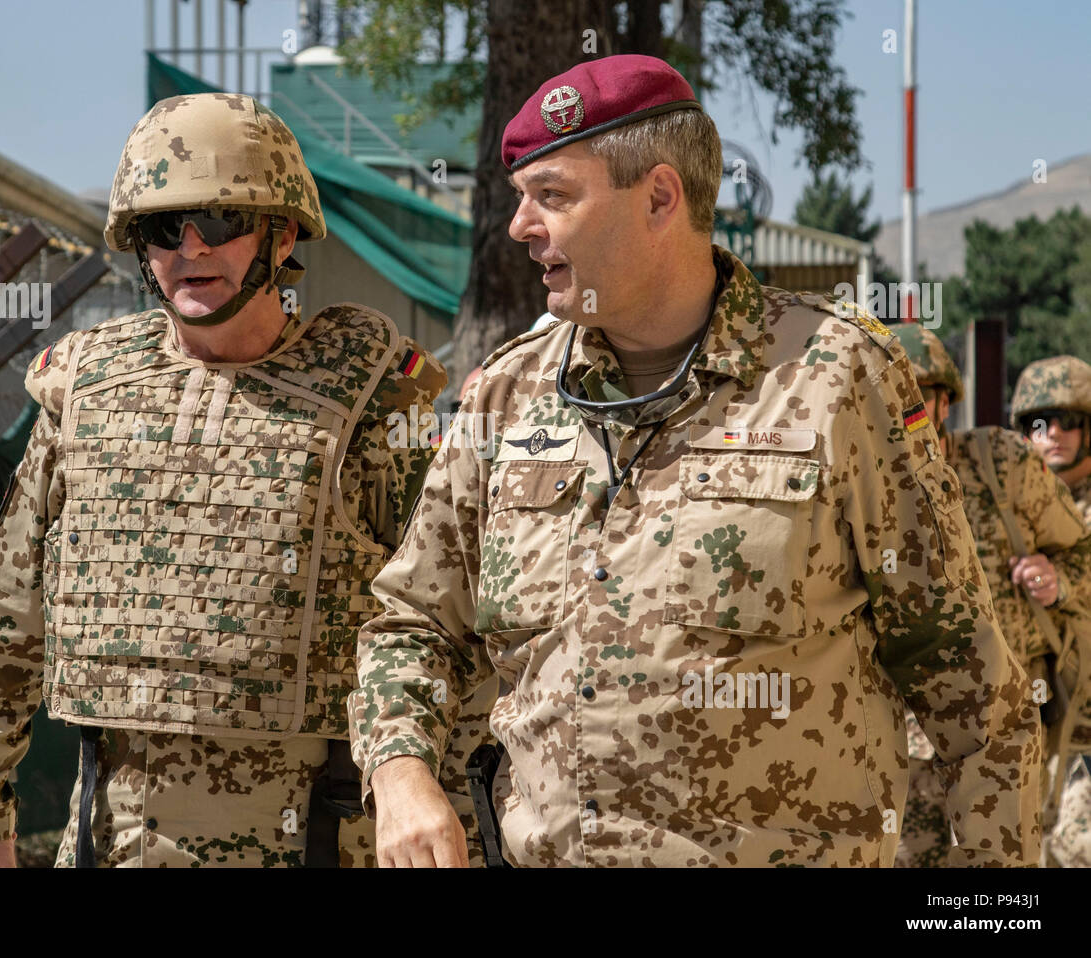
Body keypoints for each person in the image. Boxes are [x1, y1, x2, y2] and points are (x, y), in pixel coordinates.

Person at [349, 54, 1042, 867]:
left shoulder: (837, 377)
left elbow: (967, 680)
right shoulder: (506, 396)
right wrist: (400, 773)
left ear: (659, 198)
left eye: (554, 196)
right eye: (520, 199)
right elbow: (415, 622)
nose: (519, 227)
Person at [0, 92, 494, 867]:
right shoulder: (84, 392)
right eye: (164, 228)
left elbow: (445, 627)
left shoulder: (369, 397)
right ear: (140, 246)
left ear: (282, 232)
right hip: (111, 841)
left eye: (221, 222)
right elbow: (7, 618)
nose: (192, 247)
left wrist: (444, 801)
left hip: (322, 838)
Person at [888, 325, 1091, 867]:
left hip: (999, 738)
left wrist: (1057, 577)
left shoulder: (1001, 464)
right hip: (901, 748)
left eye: (915, 398)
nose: (899, 412)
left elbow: (1082, 548)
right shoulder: (854, 481)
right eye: (882, 396)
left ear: (944, 402)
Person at [1012, 356, 1091, 867]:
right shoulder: (1012, 506)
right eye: (1038, 423)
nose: (1053, 433)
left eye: (1068, 420)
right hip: (1031, 723)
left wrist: (1066, 582)